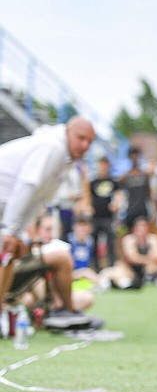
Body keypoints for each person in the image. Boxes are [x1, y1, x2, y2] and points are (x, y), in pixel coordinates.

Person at [0, 117, 96, 310]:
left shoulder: (65, 159)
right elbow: (27, 185)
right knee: (4, 256)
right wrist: (9, 229)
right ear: (68, 132)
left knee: (8, 256)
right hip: (6, 210)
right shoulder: (53, 147)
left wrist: (17, 234)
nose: (84, 145)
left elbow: (37, 199)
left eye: (89, 141)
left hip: (7, 211)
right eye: (81, 138)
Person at [83, 156, 122, 268]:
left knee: (110, 242)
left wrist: (116, 203)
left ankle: (111, 266)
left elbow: (119, 194)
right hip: (95, 216)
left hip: (108, 217)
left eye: (105, 165)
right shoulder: (94, 181)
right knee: (94, 242)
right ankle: (95, 266)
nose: (103, 167)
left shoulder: (113, 181)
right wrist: (88, 207)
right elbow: (87, 196)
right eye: (102, 164)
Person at [109, 215, 157, 289]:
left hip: (149, 269)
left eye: (144, 227)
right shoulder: (129, 239)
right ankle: (125, 283)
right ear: (134, 229)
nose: (142, 230)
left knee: (153, 266)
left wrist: (143, 259)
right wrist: (148, 258)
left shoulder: (153, 239)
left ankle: (150, 278)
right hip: (132, 269)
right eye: (140, 227)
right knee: (118, 268)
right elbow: (131, 258)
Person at [118, 146, 154, 229]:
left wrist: (153, 210)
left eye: (136, 156)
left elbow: (150, 194)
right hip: (129, 210)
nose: (134, 158)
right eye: (132, 156)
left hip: (142, 210)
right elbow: (119, 194)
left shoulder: (145, 176)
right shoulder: (125, 177)